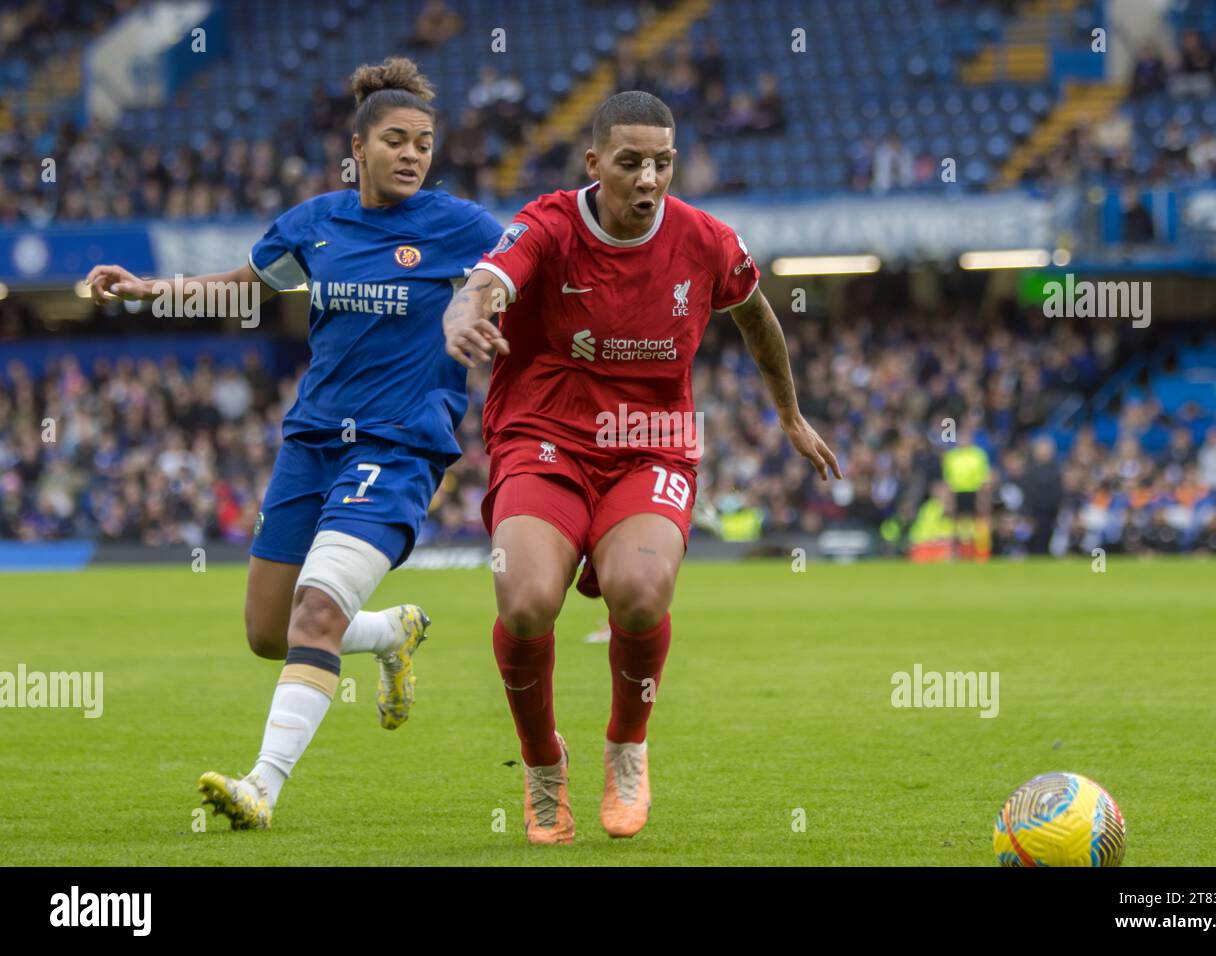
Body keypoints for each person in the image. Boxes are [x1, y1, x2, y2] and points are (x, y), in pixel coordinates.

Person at [85, 57, 503, 829]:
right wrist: (151, 289)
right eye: (396, 141)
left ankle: (261, 788)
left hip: (401, 445)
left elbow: (532, 264)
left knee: (314, 612)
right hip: (312, 440)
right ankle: (391, 633)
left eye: (424, 142)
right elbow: (246, 284)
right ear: (357, 148)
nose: (413, 155)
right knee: (268, 633)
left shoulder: (461, 227)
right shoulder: (316, 222)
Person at [442, 90, 841, 844]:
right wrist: (467, 310)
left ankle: (627, 745)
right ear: (594, 163)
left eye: (662, 162)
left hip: (652, 441)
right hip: (543, 436)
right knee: (525, 602)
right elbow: (491, 278)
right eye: (631, 163)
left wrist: (789, 412)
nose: (649, 178)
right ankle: (542, 765)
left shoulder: (706, 240)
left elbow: (756, 314)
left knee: (639, 592)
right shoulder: (551, 225)